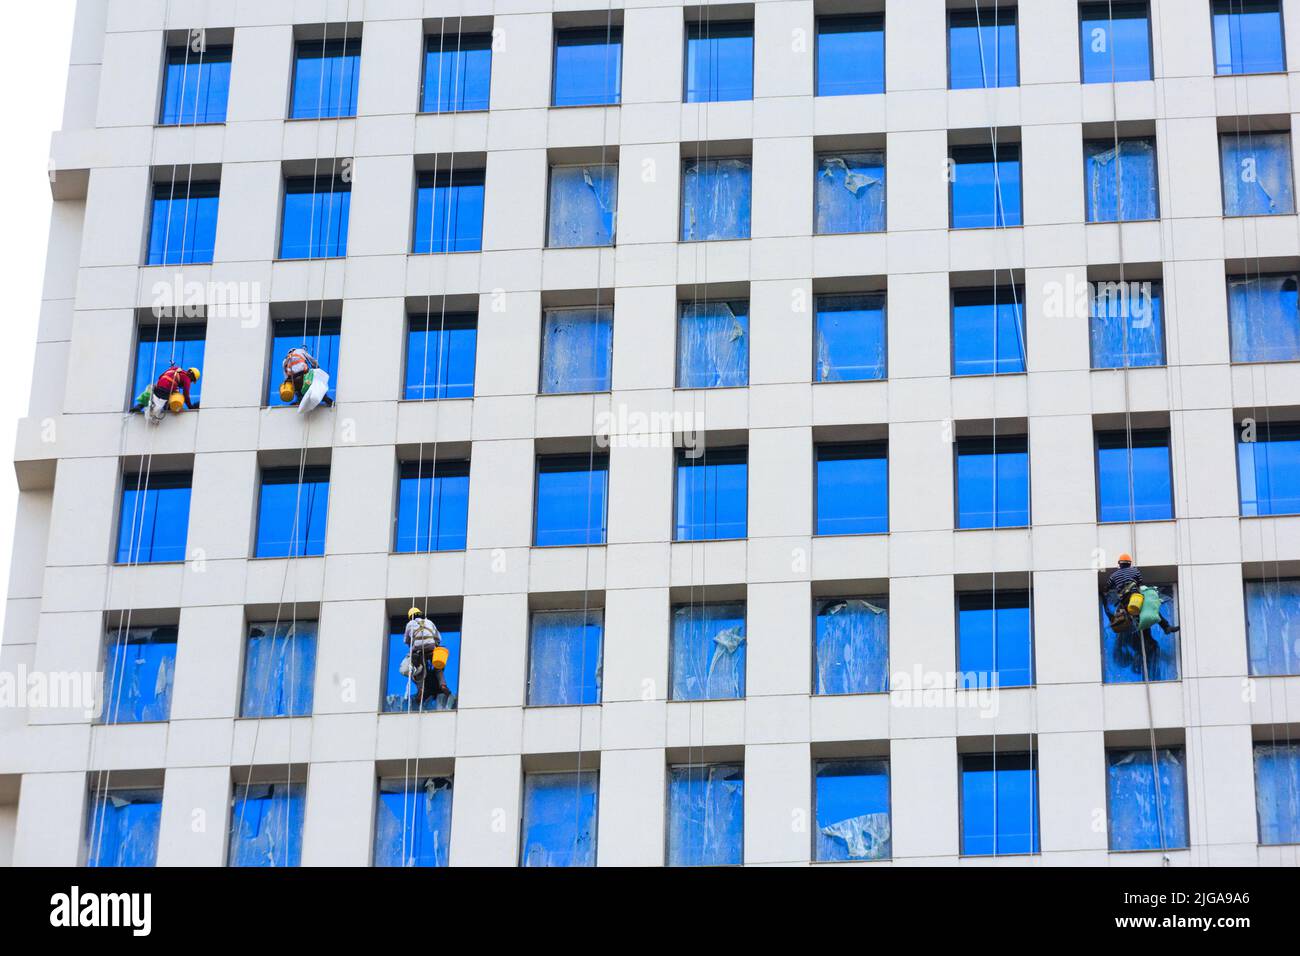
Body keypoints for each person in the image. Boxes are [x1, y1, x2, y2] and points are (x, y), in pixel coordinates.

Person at [1104, 553, 1180, 668]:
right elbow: (1140, 583)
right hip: (1136, 599)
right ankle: (1166, 627)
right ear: (1129, 563)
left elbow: (1108, 587)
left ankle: (1149, 639)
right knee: (1150, 611)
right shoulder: (1135, 571)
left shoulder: (1114, 575)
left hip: (1126, 603)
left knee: (1138, 620)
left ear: (1119, 564)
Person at [401, 607, 449, 707]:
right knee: (438, 667)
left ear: (411, 617)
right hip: (431, 646)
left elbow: (406, 640)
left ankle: (420, 689)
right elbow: (438, 637)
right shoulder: (429, 622)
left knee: (418, 670)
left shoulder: (410, 624)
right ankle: (443, 684)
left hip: (418, 649)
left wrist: (412, 644)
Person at [132, 365, 200, 413]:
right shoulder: (187, 379)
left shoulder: (175, 369)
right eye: (192, 381)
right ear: (192, 378)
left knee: (149, 394)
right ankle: (168, 411)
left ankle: (138, 406)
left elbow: (161, 376)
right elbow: (186, 395)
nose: (190, 382)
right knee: (177, 397)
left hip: (157, 389)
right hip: (166, 392)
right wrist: (190, 407)